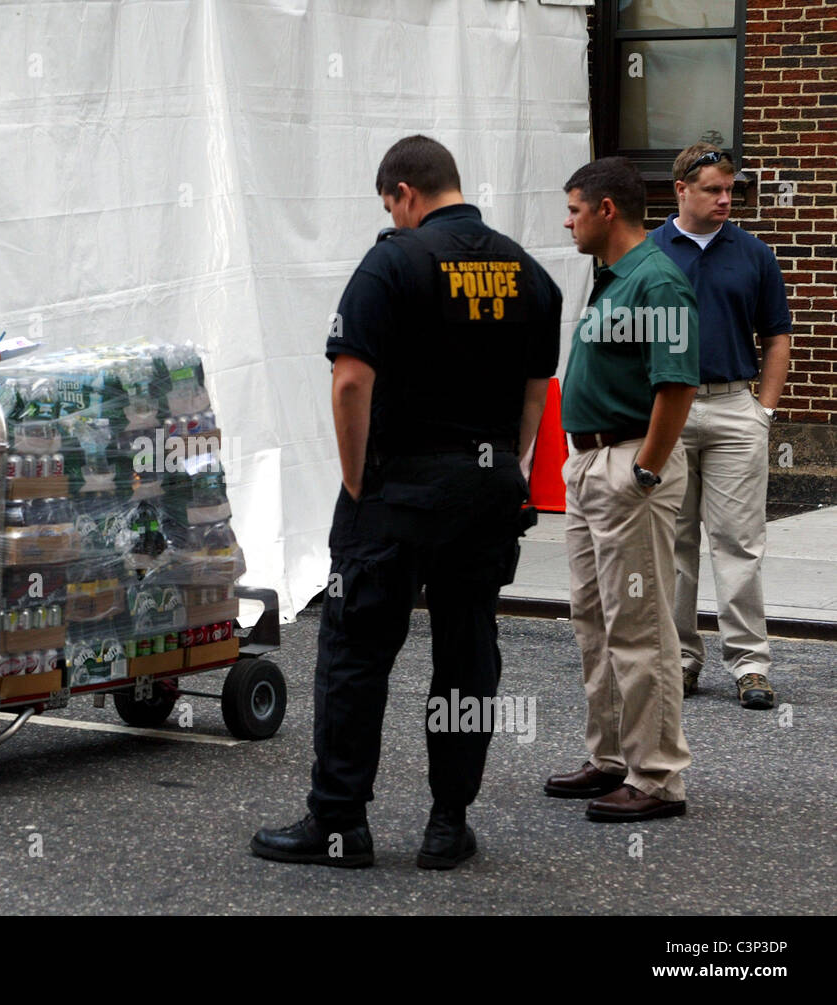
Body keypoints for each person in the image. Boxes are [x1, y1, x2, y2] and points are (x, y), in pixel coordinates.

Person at [250, 135, 562, 870]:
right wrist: (503, 471)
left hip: (395, 491)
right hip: (482, 494)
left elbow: (351, 379)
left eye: (388, 201)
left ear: (402, 194)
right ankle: (448, 823)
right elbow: (531, 398)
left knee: (357, 651)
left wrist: (358, 479)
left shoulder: (392, 261)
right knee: (468, 651)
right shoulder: (531, 275)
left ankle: (340, 825)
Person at [544, 157, 700, 823]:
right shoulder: (612, 277)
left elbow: (678, 384)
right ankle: (610, 756)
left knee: (639, 627)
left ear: (607, 210)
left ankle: (658, 777)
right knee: (594, 617)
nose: (567, 219)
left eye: (575, 208)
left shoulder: (658, 280)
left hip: (628, 465)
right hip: (591, 466)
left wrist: (644, 471)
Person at [650, 143, 792, 710]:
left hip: (735, 408)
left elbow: (776, 335)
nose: (725, 199)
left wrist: (765, 411)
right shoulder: (647, 252)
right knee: (673, 543)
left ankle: (751, 664)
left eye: (731, 190)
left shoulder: (754, 254)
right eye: (713, 189)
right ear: (680, 190)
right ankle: (680, 659)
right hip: (668, 413)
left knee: (739, 542)